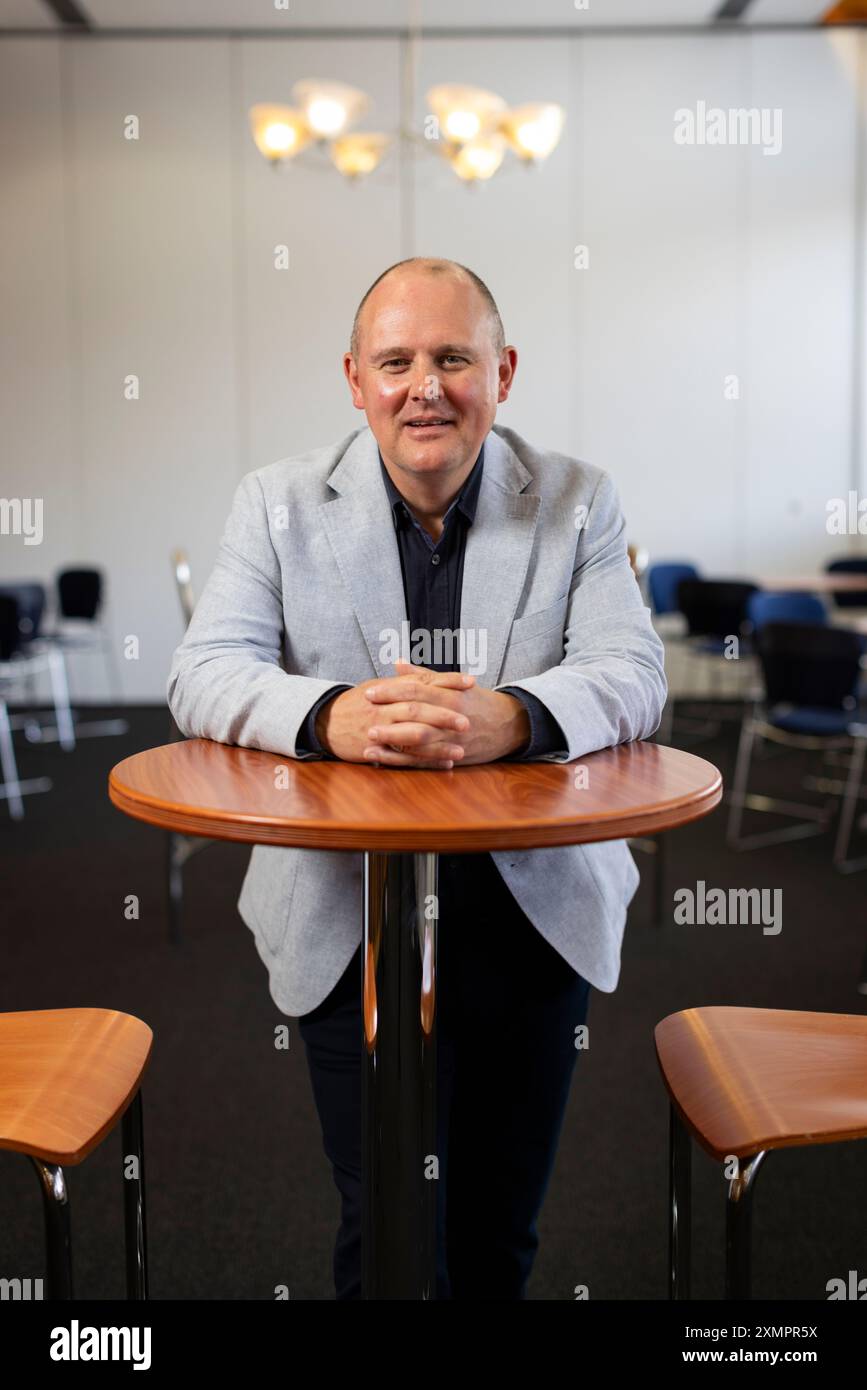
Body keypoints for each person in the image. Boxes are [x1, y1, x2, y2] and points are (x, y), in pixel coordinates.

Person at [167, 256, 667, 1300]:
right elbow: (203, 668)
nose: (423, 386)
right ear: (355, 379)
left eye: (453, 358)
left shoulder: (581, 497)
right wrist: (327, 712)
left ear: (504, 371)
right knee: (383, 1223)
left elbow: (633, 673)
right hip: (344, 914)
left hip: (533, 903)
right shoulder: (276, 503)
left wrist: (517, 716)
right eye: (395, 361)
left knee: (496, 1229)